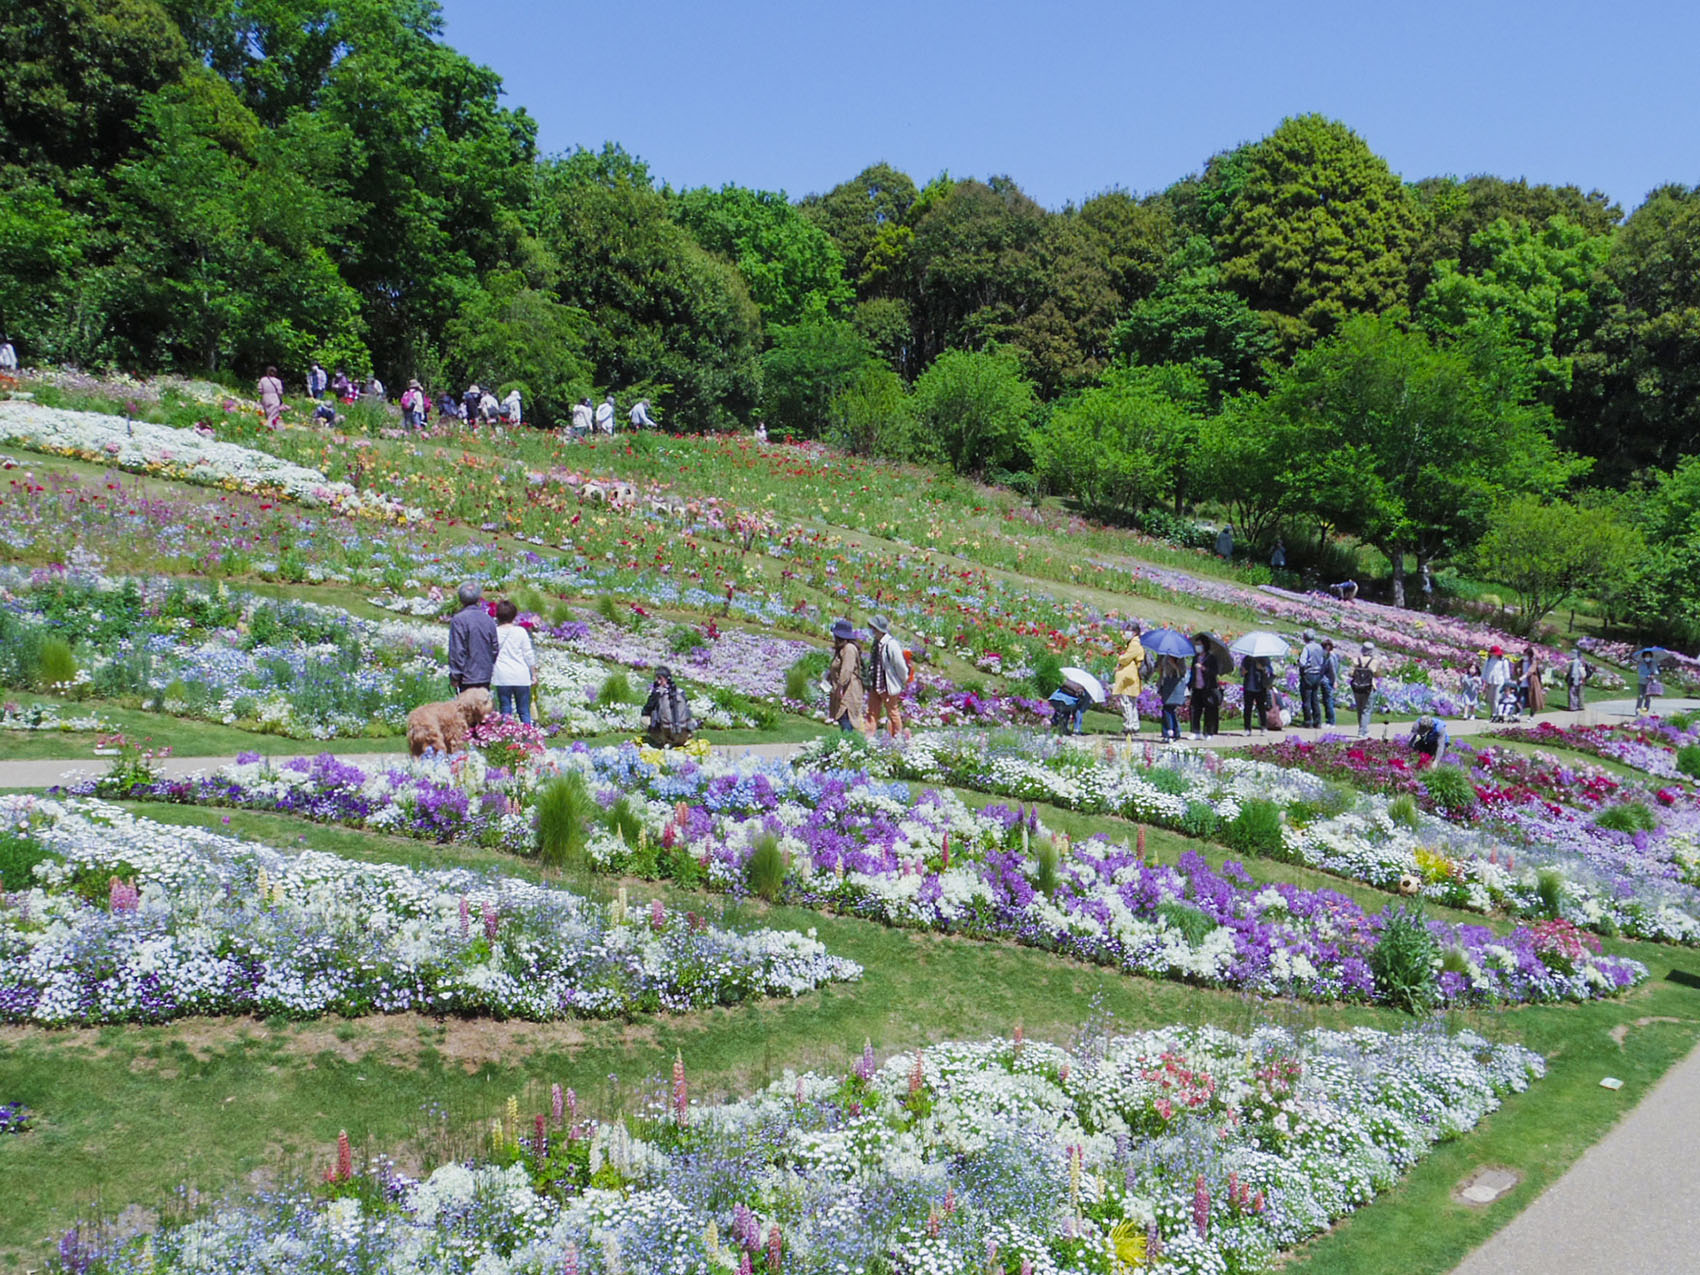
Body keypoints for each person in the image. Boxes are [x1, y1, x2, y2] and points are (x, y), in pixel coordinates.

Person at [491, 600, 538, 724]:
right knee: (524, 711)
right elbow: (528, 654)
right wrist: (533, 673)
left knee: (505, 711)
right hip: (521, 675)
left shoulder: (494, 632)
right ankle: (529, 738)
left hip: (502, 675)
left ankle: (508, 738)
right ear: (514, 615)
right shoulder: (520, 632)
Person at [447, 582, 498, 695]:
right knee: (484, 709)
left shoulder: (458, 620)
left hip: (467, 677)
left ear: (461, 599)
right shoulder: (488, 619)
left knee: (468, 710)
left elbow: (457, 650)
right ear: (478, 599)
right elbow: (494, 648)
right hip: (485, 675)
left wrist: (455, 675)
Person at [865, 614, 908, 739]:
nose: (872, 630)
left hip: (888, 686)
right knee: (871, 712)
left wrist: (903, 680)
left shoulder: (890, 644)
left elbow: (900, 665)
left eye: (873, 628)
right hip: (875, 684)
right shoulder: (876, 642)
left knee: (892, 712)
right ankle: (869, 738)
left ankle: (897, 738)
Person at [643, 666, 696, 747]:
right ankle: (685, 739)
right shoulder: (680, 692)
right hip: (683, 735)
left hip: (666, 735)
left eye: (659, 678)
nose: (657, 681)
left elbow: (645, 711)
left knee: (644, 719)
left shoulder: (658, 693)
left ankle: (660, 740)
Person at [827, 618, 865, 732]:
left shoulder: (849, 649)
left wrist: (839, 687)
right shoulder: (842, 649)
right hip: (842, 691)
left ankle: (848, 745)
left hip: (848, 692)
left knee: (846, 720)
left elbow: (846, 671)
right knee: (842, 719)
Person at [1112, 627, 1146, 739]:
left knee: (1126, 702)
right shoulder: (1134, 643)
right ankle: (1134, 725)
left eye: (1128, 630)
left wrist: (1120, 657)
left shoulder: (1135, 644)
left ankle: (1129, 726)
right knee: (1131, 703)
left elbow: (1125, 659)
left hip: (1128, 678)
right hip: (1131, 677)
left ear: (1134, 632)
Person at [1188, 637, 1220, 739]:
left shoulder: (1211, 658)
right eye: (1196, 644)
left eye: (1199, 644)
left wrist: (1203, 668)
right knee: (1195, 710)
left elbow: (1214, 672)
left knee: (1209, 711)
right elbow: (1192, 673)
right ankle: (1195, 731)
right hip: (1197, 687)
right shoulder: (1195, 657)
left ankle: (1208, 732)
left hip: (1208, 688)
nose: (1198, 647)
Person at [1347, 641, 1379, 738]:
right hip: (1369, 687)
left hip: (1357, 687)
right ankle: (1362, 731)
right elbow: (1377, 674)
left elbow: (1350, 674)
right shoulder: (1374, 661)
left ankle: (1362, 728)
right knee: (1367, 709)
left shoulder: (1356, 660)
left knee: (1360, 708)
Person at [1297, 628, 1327, 729]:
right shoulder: (1319, 647)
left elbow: (1302, 662)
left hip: (1308, 674)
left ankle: (1308, 721)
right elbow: (1323, 661)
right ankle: (1317, 722)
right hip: (1317, 674)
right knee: (1315, 699)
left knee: (1306, 699)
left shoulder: (1307, 648)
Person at [1158, 655, 1187, 742]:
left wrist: (1174, 665)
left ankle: (1171, 731)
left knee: (1170, 708)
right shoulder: (1163, 656)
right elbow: (1159, 668)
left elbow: (1182, 672)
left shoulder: (1180, 658)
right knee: (1166, 708)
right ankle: (1169, 732)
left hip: (1175, 685)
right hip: (1165, 684)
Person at [1241, 653, 1271, 734]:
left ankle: (1263, 727)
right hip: (1248, 686)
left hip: (1260, 686)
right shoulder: (1247, 659)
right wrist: (1243, 671)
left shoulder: (1264, 658)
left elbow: (1270, 671)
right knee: (1247, 709)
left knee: (1261, 708)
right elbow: (1242, 672)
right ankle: (1247, 728)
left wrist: (1263, 668)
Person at [1483, 646, 1511, 717]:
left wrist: (1507, 683)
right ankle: (1492, 712)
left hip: (1499, 681)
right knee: (1490, 698)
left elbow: (1506, 673)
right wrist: (1484, 681)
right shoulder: (1488, 660)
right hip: (1490, 681)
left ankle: (1496, 714)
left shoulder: (1503, 661)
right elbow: (1484, 671)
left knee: (1496, 698)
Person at [1565, 646, 1594, 713]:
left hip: (1575, 680)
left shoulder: (1575, 662)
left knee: (1572, 693)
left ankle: (1573, 707)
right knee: (1580, 693)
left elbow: (1574, 672)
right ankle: (1580, 705)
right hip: (1582, 680)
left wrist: (1572, 679)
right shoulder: (1582, 660)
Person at [1319, 639, 1339, 727]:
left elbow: (1333, 671)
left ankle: (1331, 721)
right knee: (1327, 700)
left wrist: (1334, 681)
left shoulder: (1330, 657)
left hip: (1328, 680)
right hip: (1326, 680)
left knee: (1328, 701)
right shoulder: (1329, 656)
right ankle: (1329, 720)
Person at [1523, 645, 1546, 715]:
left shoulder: (1533, 661)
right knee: (1521, 698)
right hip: (1523, 683)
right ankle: (1519, 713)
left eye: (1525, 653)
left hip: (1532, 682)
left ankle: (1532, 714)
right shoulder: (1523, 661)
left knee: (1533, 698)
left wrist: (1524, 676)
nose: (1524, 655)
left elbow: (1531, 669)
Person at [1636, 649, 1661, 713]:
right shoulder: (1641, 664)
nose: (1648, 657)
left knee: (1648, 698)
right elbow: (1640, 673)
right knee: (1641, 696)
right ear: (1644, 657)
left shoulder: (1653, 663)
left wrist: (1654, 674)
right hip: (1642, 682)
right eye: (1646, 656)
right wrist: (1647, 676)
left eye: (1649, 656)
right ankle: (1638, 710)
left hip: (1650, 683)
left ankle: (1645, 711)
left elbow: (1656, 671)